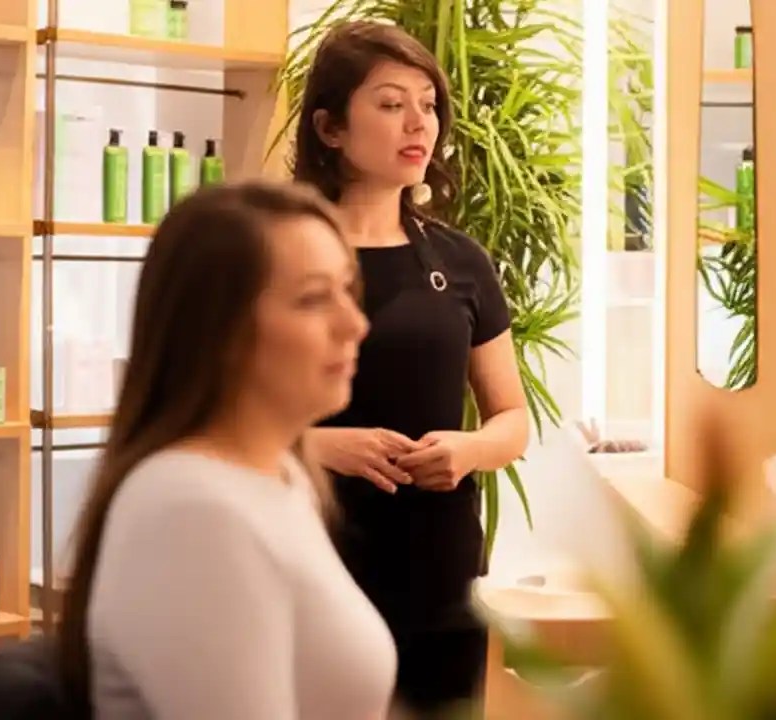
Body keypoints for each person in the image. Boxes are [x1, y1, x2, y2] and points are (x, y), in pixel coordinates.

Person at [55, 182, 393, 719]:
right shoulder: (193, 512)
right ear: (220, 331)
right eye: (312, 299)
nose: (355, 324)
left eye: (347, 291)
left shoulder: (281, 475)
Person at [294, 20, 530, 718]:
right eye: (391, 103)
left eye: (428, 104)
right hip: (312, 555)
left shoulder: (462, 263)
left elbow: (511, 419)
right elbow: (203, 419)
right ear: (331, 128)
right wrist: (319, 445)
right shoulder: (277, 253)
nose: (417, 122)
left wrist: (468, 450)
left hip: (441, 570)